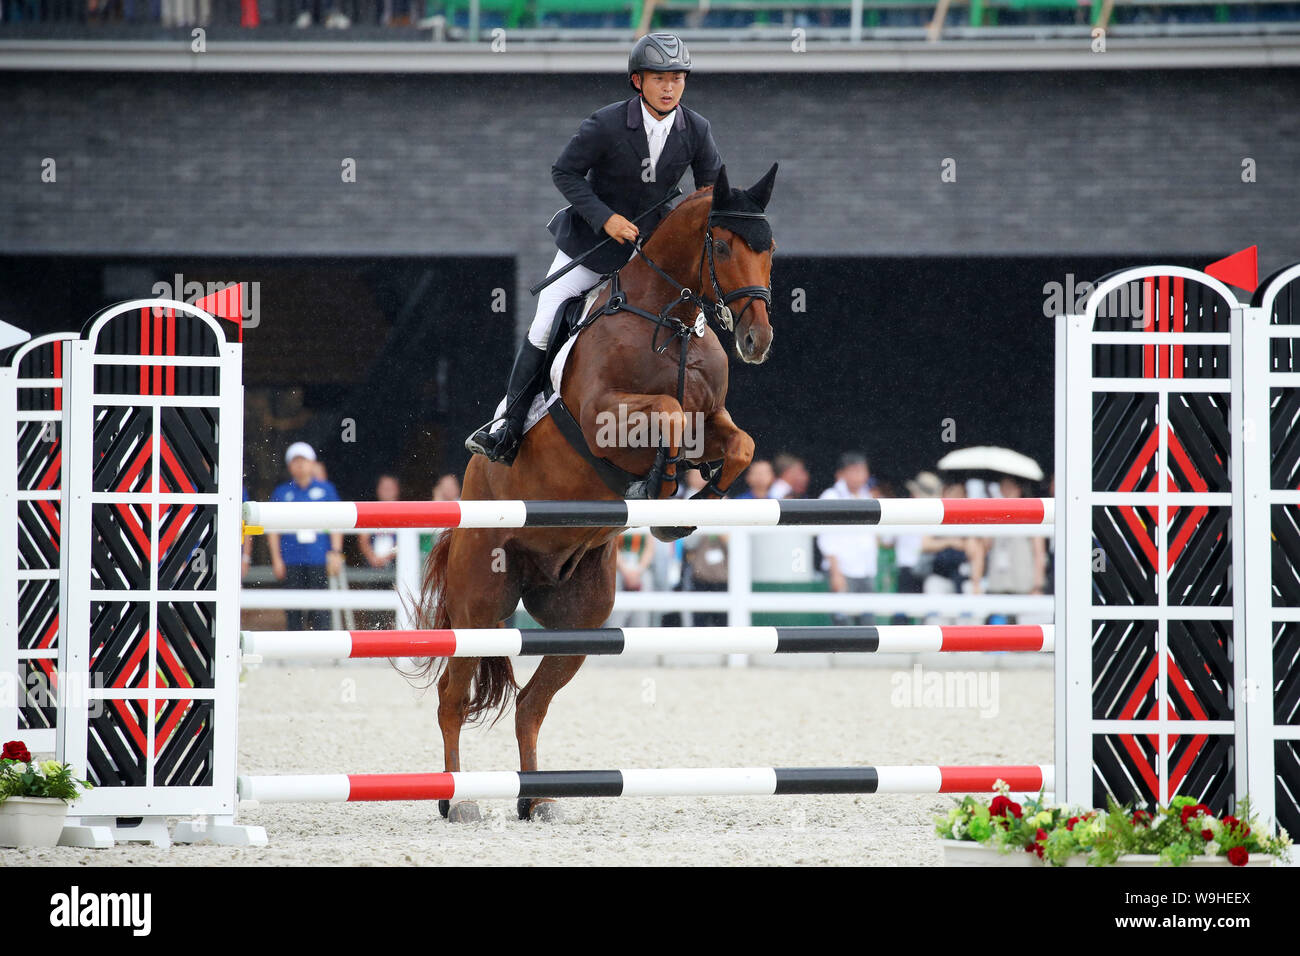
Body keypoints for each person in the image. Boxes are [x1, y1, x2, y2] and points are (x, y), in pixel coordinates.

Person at [465, 32, 723, 465]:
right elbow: (564, 173)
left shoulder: (696, 129)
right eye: (660, 78)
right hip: (592, 247)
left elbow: (711, 190)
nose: (670, 86)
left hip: (649, 259)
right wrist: (605, 217)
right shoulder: (605, 123)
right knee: (547, 319)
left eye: (678, 78)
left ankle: (690, 433)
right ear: (638, 81)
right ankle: (505, 426)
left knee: (691, 324)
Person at [266, 442, 343, 632]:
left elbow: (337, 522)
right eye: (295, 460)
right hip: (291, 558)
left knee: (321, 607)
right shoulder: (281, 492)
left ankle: (322, 650)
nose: (300, 465)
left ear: (312, 463)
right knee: (293, 608)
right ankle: (293, 649)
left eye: (304, 460)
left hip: (319, 558)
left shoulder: (326, 490)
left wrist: (336, 552)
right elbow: (272, 529)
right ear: (289, 465)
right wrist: (276, 559)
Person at [816, 452, 879, 626]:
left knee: (867, 622)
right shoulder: (830, 497)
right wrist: (836, 572)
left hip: (866, 569)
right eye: (854, 471)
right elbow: (826, 539)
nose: (860, 476)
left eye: (862, 471)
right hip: (843, 568)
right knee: (842, 622)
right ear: (842, 474)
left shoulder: (868, 496)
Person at [357, 474, 401, 568]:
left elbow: (403, 541)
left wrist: (388, 557)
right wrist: (372, 557)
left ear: (397, 489)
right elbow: (363, 540)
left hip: (396, 562)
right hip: (371, 563)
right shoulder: (370, 512)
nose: (387, 491)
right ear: (378, 489)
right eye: (384, 487)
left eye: (390, 488)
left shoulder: (403, 513)